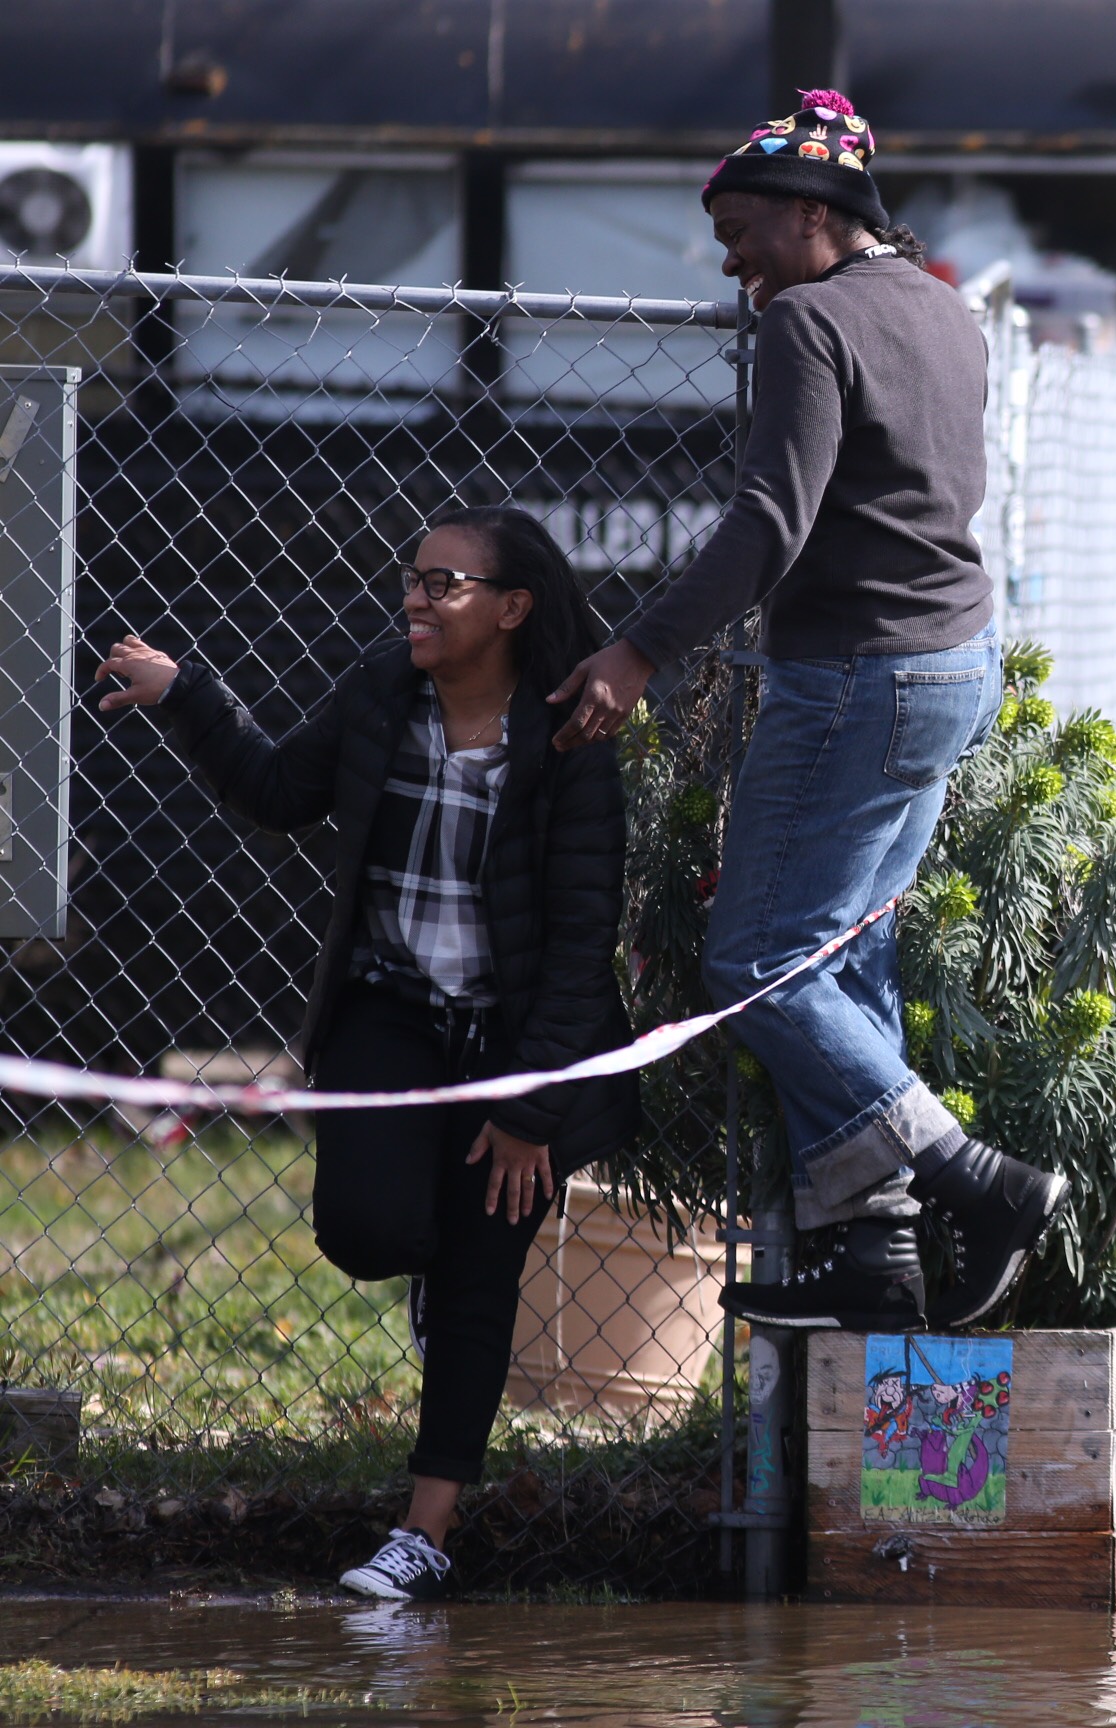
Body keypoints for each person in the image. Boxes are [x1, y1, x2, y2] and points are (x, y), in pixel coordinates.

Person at [544, 89, 1067, 1335]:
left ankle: (970, 1180)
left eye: (738, 230)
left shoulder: (811, 325)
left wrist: (637, 653)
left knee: (759, 964)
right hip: (950, 664)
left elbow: (770, 525)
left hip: (854, 678)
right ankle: (873, 1257)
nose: (728, 260)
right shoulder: (945, 314)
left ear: (809, 212)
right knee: (844, 953)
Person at [93, 505, 640, 1604]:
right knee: (367, 1229)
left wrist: (531, 1107)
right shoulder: (384, 688)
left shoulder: (567, 736)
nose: (417, 600)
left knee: (485, 1269)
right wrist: (187, 696)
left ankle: (423, 1538)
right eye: (415, 578)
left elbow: (583, 941)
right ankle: (426, 1269)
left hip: (514, 1038)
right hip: (387, 1012)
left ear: (512, 608)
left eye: (446, 584)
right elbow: (282, 792)